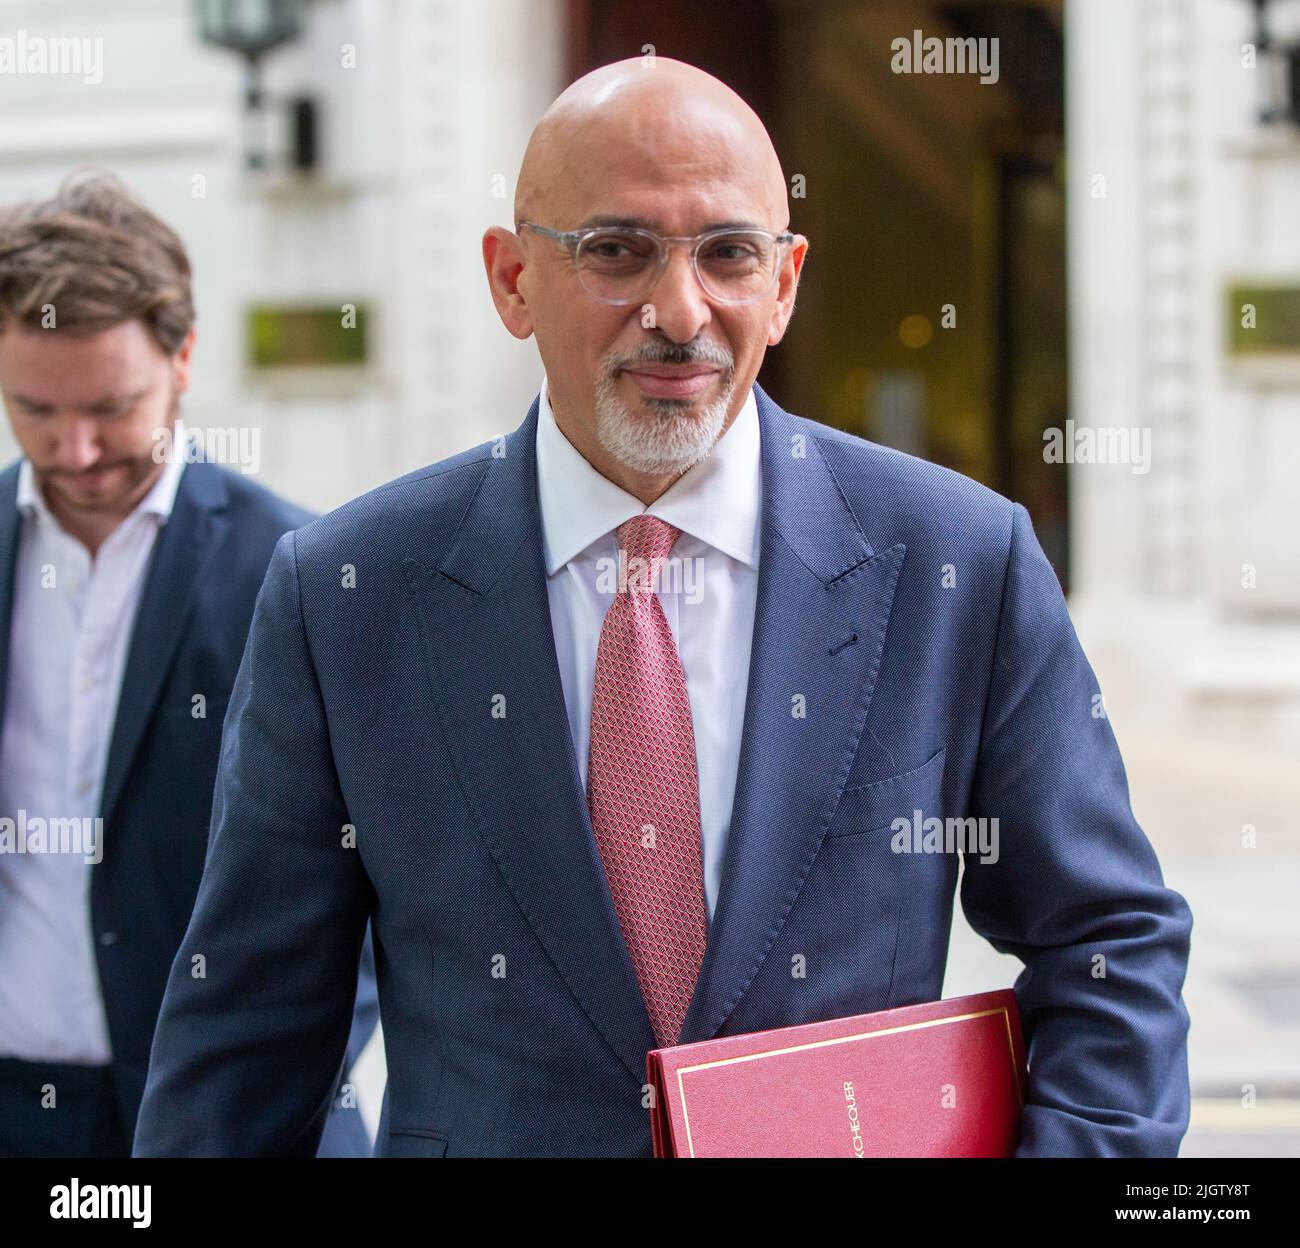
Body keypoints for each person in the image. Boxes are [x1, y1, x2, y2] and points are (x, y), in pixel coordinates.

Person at [134, 58, 1192, 1158]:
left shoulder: (958, 562)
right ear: (509, 281)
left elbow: (1108, 937)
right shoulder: (345, 592)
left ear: (783, 285)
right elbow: (250, 1035)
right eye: (615, 250)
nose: (678, 312)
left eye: (728, 253)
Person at [0, 172, 378, 1157]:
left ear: (184, 359)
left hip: (232, 1120)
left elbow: (378, 877)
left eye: (111, 409)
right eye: (34, 408)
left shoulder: (302, 570)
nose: (74, 450)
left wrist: (275, 1095)